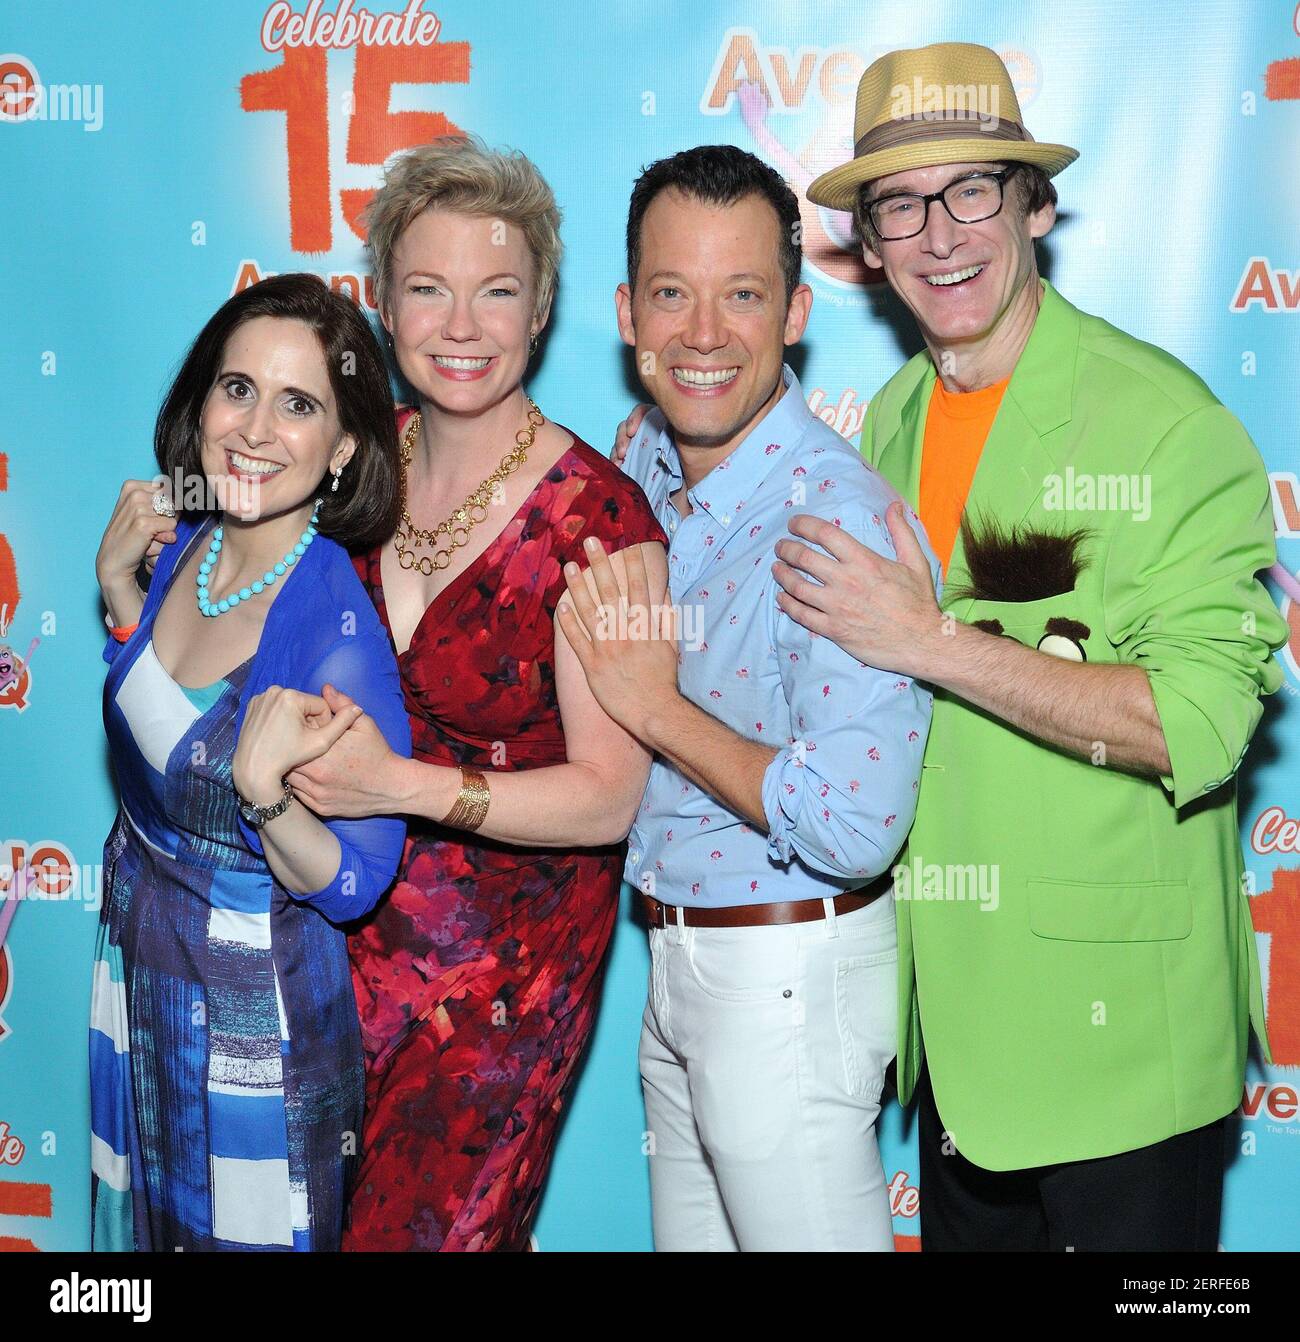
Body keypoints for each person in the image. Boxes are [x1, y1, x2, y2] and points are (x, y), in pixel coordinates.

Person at [767, 41, 1287, 1250]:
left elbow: (1196, 724)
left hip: (1121, 1057)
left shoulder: (1167, 423)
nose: (939, 235)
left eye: (970, 193)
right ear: (870, 243)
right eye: (901, 202)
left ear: (1034, 206)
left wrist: (932, 640)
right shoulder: (891, 419)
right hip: (952, 1034)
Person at [282, 135, 669, 1251]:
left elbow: (607, 798)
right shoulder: (350, 471)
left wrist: (397, 783)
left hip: (499, 1001)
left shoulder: (601, 524)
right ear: (383, 306)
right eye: (428, 290)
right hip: (328, 956)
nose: (461, 327)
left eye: (495, 291)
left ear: (540, 307)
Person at [558, 145, 938, 1251]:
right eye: (673, 293)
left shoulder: (831, 519)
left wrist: (656, 706)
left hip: (785, 974)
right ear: (628, 312)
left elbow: (859, 823)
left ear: (796, 312)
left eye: (742, 294)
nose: (704, 333)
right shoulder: (644, 466)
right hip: (678, 966)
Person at [91, 273, 411, 1251]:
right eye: (238, 389)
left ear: (343, 446)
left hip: (250, 1026)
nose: (255, 428)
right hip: (138, 977)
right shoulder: (181, 545)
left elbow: (357, 880)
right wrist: (118, 600)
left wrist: (269, 802)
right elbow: (165, 735)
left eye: (299, 402)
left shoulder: (337, 631)